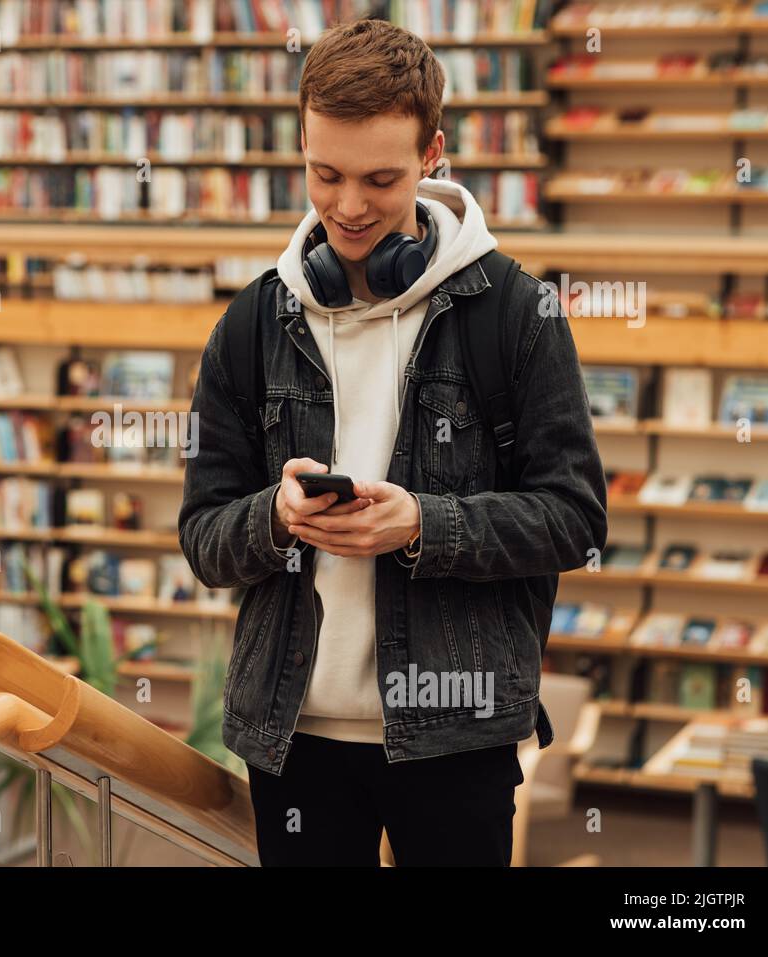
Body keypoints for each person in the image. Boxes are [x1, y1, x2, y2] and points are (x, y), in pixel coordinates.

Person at [177, 17, 608, 866]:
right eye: (323, 173)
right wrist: (277, 517)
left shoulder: (517, 314)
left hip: (457, 735)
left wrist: (422, 525)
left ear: (434, 153)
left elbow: (574, 519)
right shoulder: (251, 324)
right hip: (293, 738)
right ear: (300, 144)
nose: (347, 206)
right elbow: (204, 538)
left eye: (381, 178)